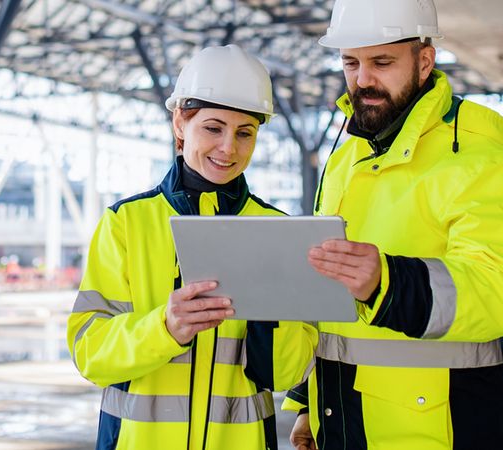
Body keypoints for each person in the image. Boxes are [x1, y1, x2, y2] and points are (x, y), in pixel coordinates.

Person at [284, 0, 503, 449]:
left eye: (382, 62)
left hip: (437, 428)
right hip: (340, 419)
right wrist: (308, 402)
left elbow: (502, 293)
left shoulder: (480, 159)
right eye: (351, 63)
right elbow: (329, 296)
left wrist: (387, 280)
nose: (363, 80)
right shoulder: (346, 158)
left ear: (424, 61)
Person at [67, 45, 317, 450]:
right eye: (213, 128)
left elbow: (288, 374)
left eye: (245, 133)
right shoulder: (127, 223)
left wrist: (273, 314)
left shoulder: (277, 231)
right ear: (180, 123)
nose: (228, 149)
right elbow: (90, 353)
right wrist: (163, 328)